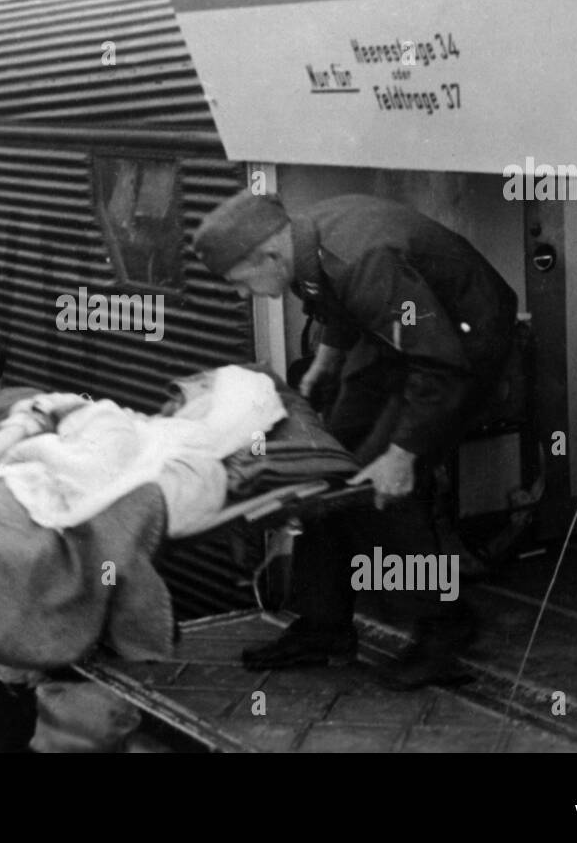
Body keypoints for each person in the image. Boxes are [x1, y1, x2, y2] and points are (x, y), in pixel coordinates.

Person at [193, 189, 518, 689]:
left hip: (462, 343)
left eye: (240, 283)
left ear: (268, 255)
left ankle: (445, 626)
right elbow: (337, 300)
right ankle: (323, 626)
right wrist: (326, 362)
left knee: (378, 490)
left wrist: (402, 454)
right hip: (396, 339)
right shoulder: (306, 242)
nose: (242, 296)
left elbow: (438, 363)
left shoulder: (362, 258)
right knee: (324, 470)